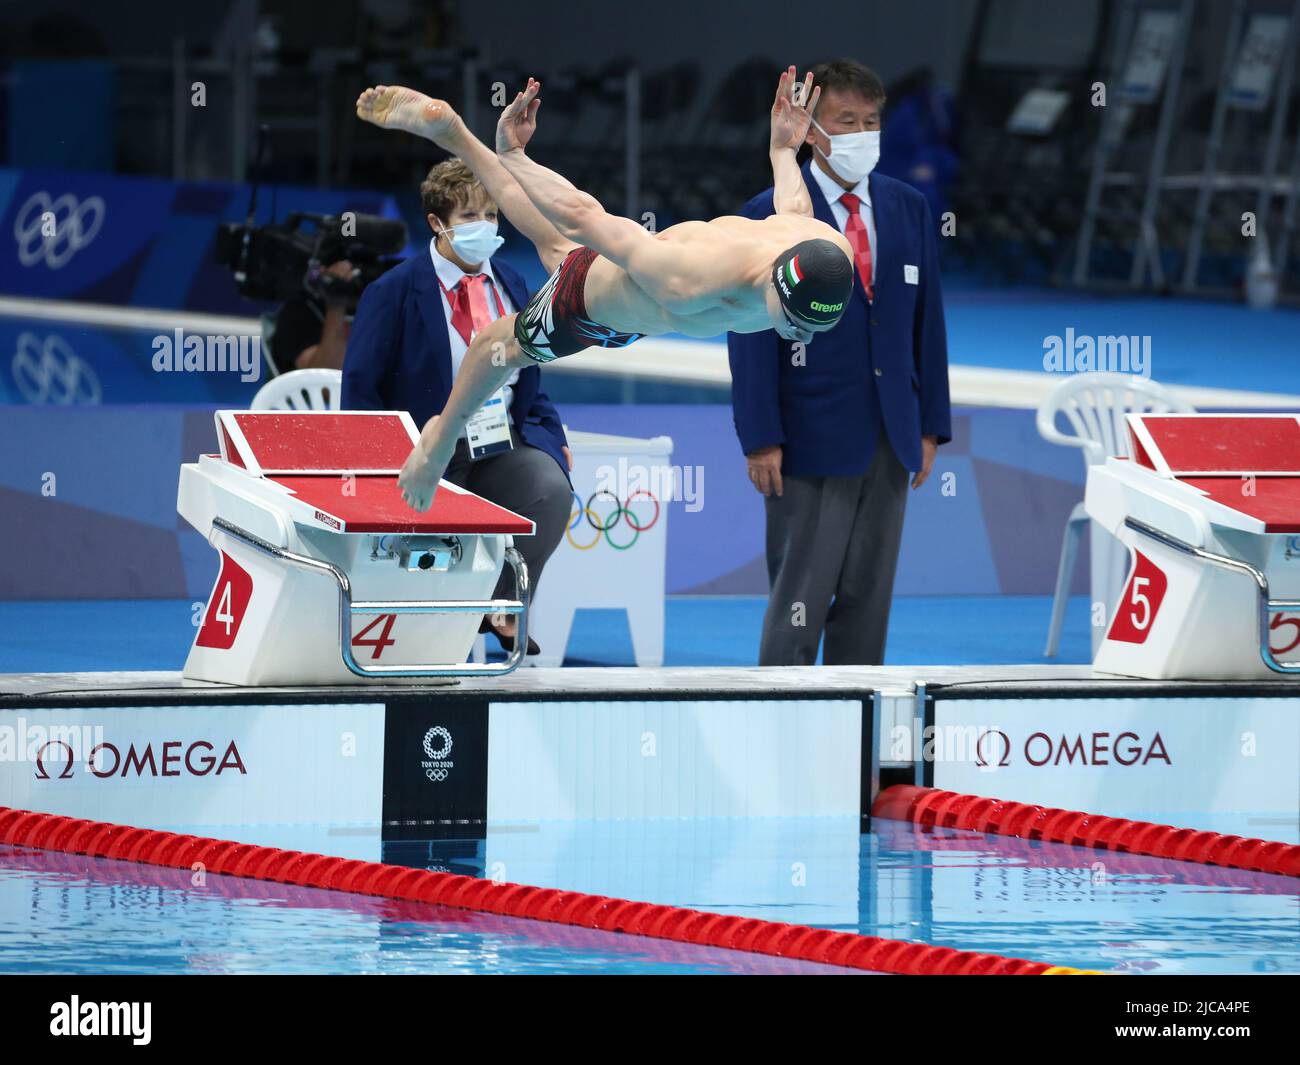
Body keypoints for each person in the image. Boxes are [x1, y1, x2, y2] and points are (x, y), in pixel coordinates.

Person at [354, 68, 856, 512]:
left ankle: (455, 133)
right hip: (598, 305)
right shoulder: (686, 276)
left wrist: (785, 151)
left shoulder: (825, 248)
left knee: (553, 249)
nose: (800, 338)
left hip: (639, 316)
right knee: (498, 347)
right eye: (794, 322)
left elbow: (794, 210)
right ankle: (439, 441)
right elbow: (582, 212)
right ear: (775, 281)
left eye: (815, 328)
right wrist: (516, 157)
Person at [727, 58, 952, 667]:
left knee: (867, 599)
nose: (860, 133)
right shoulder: (769, 212)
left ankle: (854, 725)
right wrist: (761, 437)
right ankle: (781, 725)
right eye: (843, 120)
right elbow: (749, 336)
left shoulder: (908, 207)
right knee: (800, 599)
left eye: (870, 120)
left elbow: (925, 322)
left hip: (891, 433)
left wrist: (930, 423)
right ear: (810, 129)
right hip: (807, 438)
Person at [341, 159, 572, 655]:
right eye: (469, 216)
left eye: (491, 214)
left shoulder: (512, 282)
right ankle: (431, 633)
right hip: (427, 454)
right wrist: (378, 467)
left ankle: (499, 608)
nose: (485, 226)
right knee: (432, 535)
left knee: (550, 490)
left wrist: (556, 437)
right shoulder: (393, 292)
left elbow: (531, 375)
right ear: (436, 223)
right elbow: (360, 390)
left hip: (500, 445)